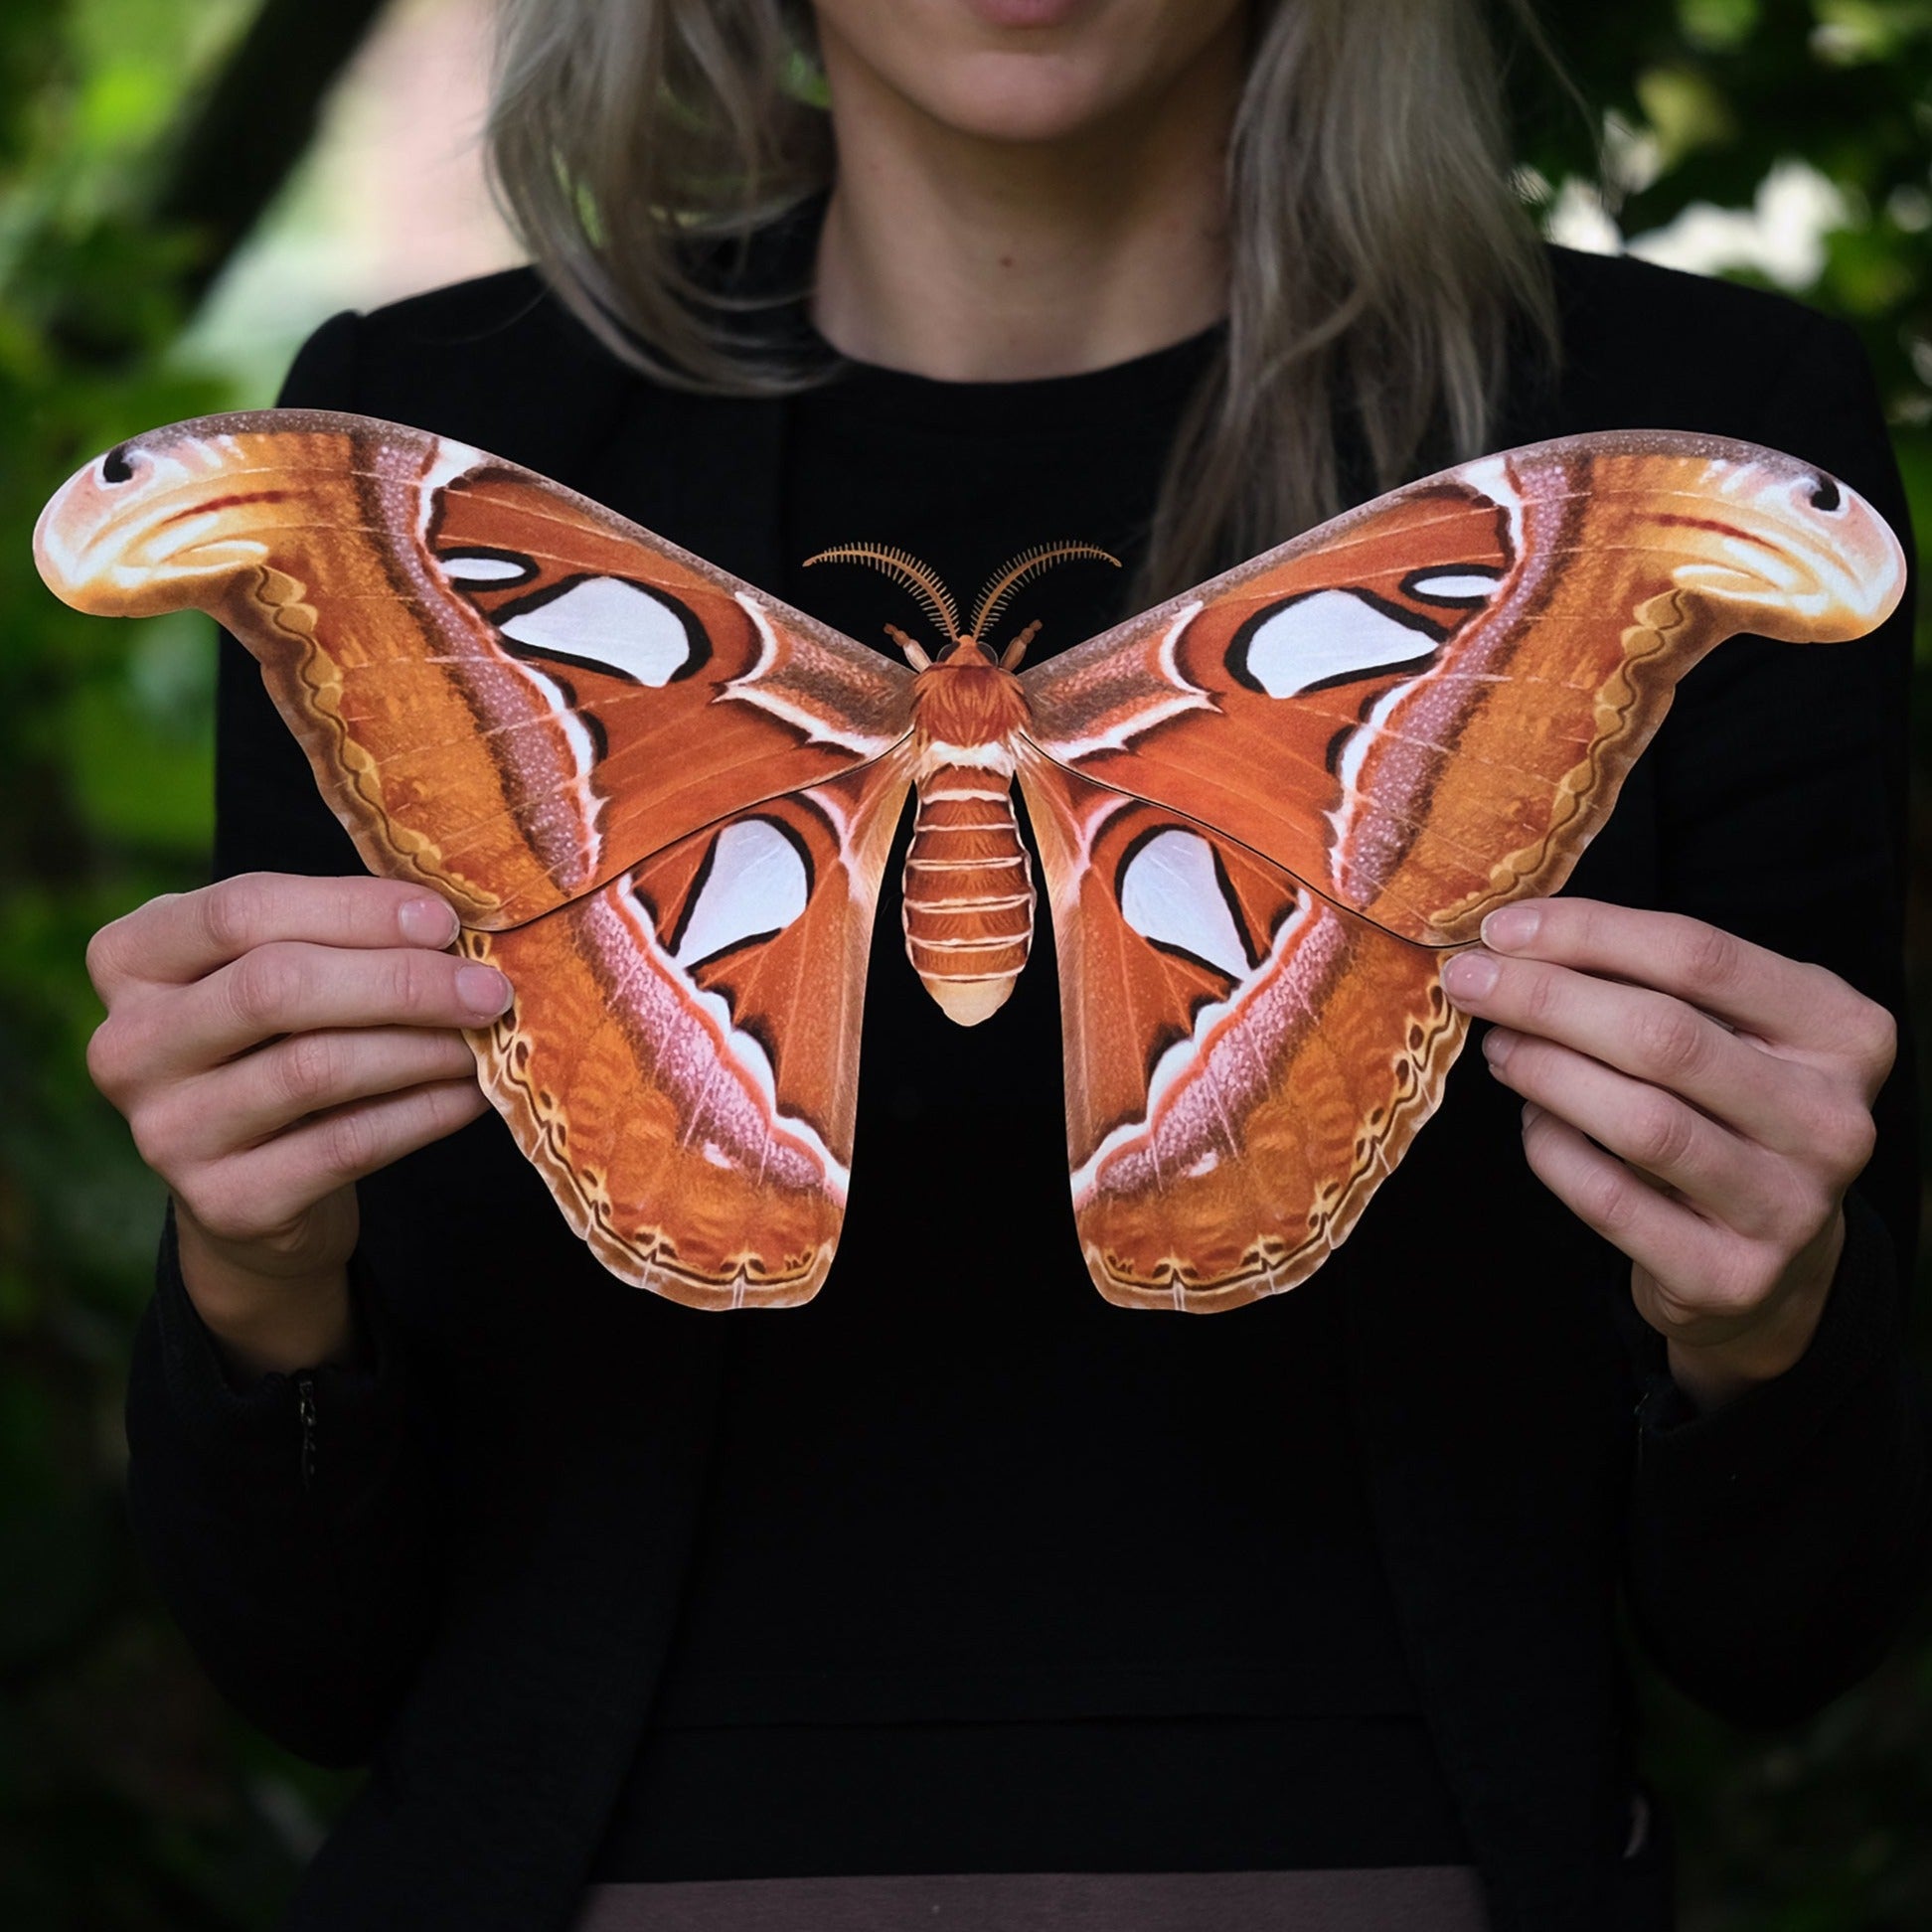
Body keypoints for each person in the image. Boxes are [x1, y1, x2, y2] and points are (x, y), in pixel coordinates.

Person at [80, 2, 1928, 1928]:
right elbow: (309, 1666)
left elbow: (1791, 1635)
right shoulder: (440, 432)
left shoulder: (1669, 443)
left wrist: (1771, 1327)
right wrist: (259, 1281)